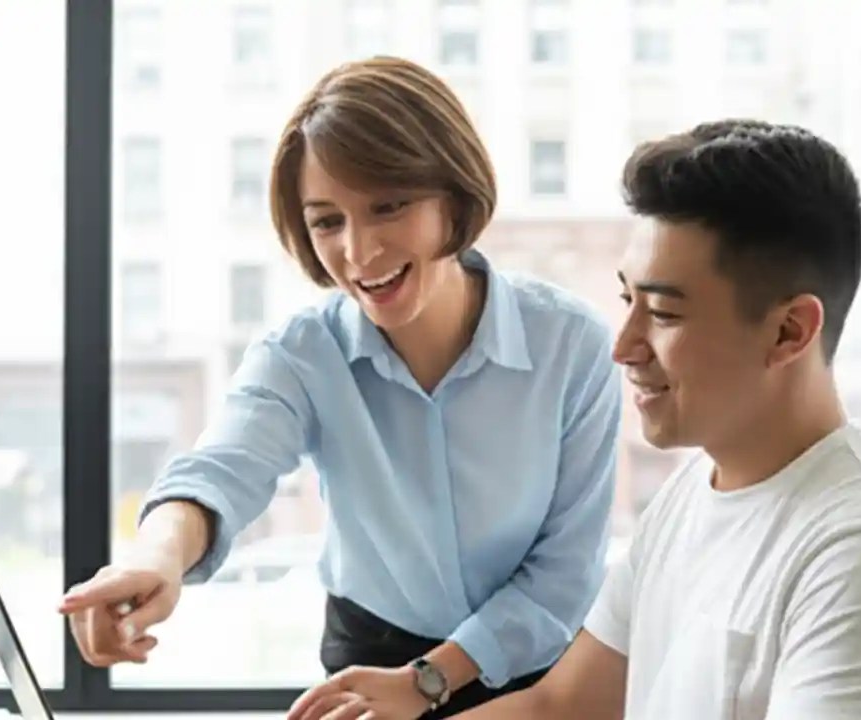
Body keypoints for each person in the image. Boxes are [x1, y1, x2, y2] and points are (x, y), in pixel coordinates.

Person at [57, 56, 621, 719]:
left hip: (539, 677)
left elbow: (565, 576)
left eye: (390, 207)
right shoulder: (300, 353)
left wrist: (427, 683)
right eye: (328, 221)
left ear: (454, 195)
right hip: (371, 662)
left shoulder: (570, 343)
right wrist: (157, 558)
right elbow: (221, 469)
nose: (359, 251)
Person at [453, 119, 861, 720]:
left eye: (664, 314)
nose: (623, 346)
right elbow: (560, 706)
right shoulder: (693, 492)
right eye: (628, 302)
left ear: (789, 331)